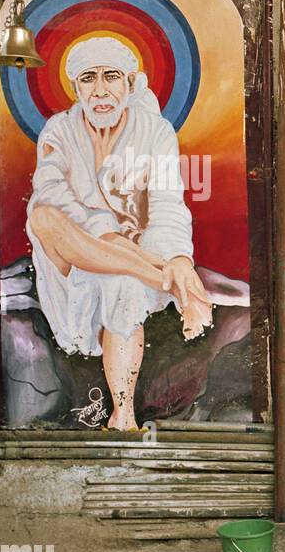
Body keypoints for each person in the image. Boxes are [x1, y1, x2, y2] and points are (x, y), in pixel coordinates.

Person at [25, 36, 214, 430]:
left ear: (130, 82)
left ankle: (122, 415)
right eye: (88, 79)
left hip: (136, 253)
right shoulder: (58, 130)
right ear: (75, 88)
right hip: (74, 253)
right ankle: (166, 279)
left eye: (111, 76)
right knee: (43, 216)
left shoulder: (154, 132)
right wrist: (107, 236)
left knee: (121, 285)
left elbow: (166, 202)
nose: (100, 89)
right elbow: (52, 195)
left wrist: (178, 256)